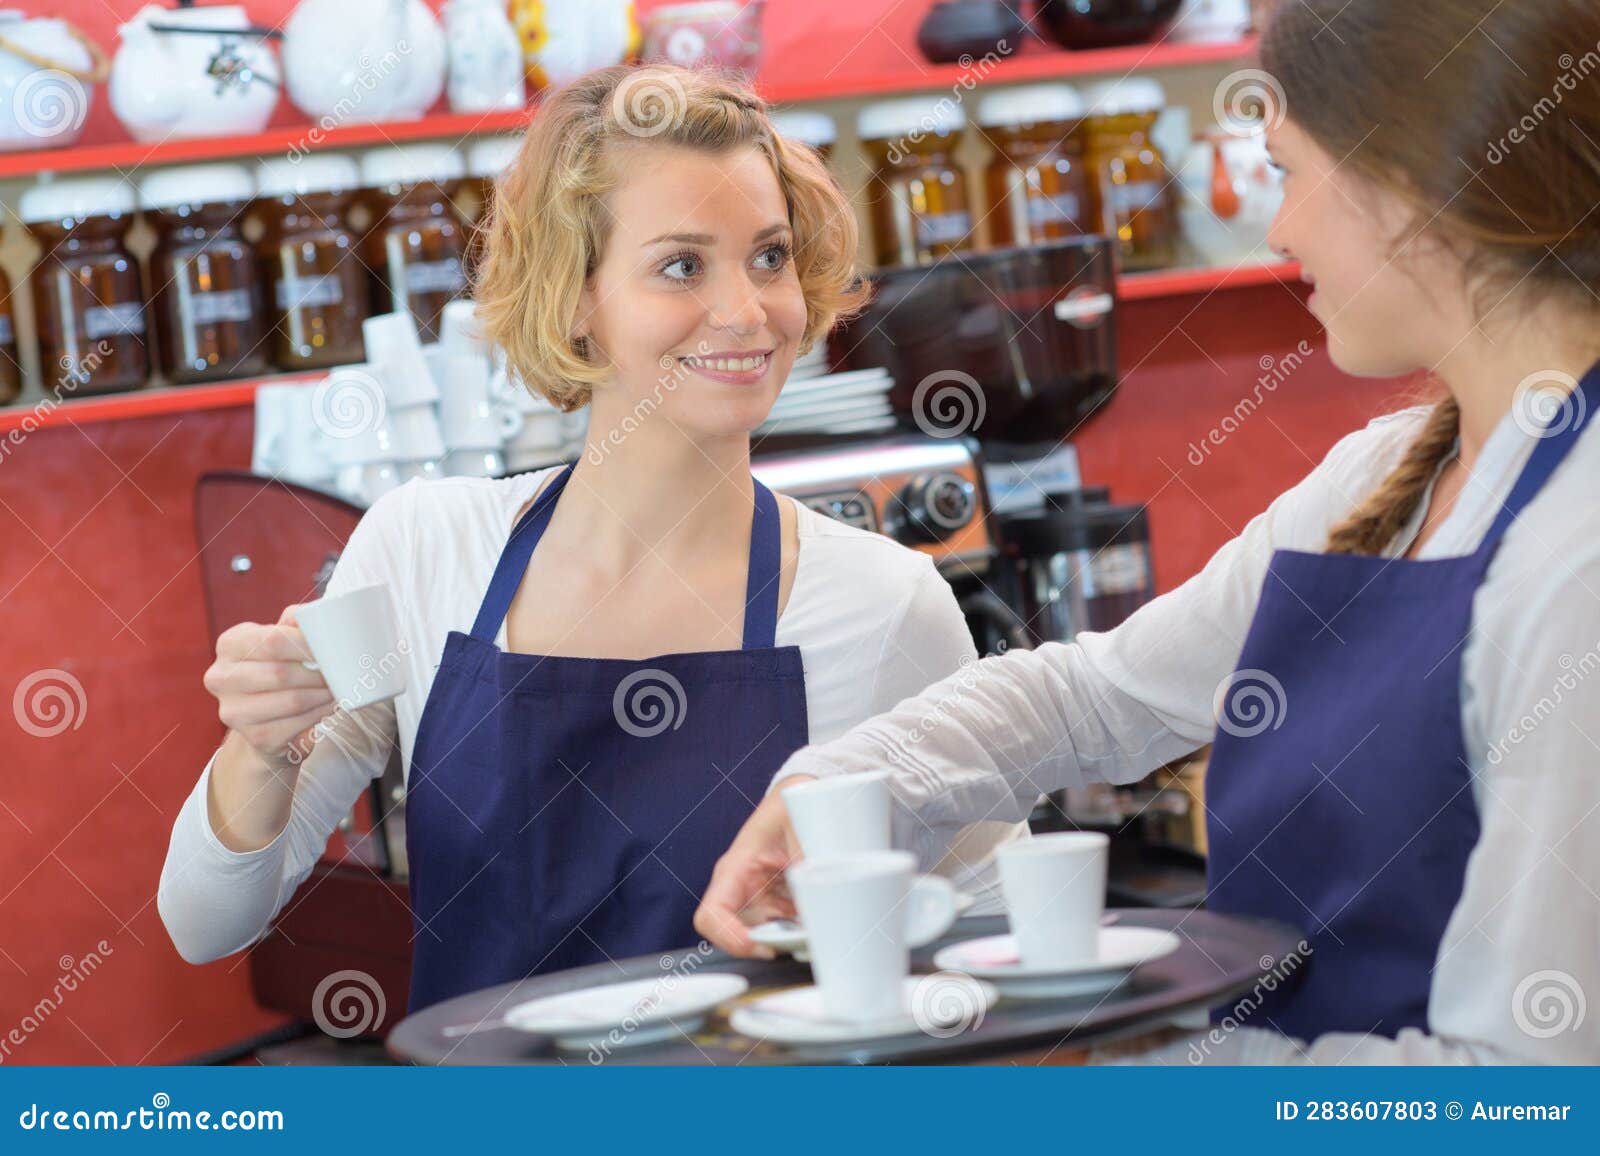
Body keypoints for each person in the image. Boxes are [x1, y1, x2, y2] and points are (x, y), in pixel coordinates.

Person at [696, 0, 1600, 1064]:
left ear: (1406, 183)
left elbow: (1522, 1095)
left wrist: (1117, 1073)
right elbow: (1100, 696)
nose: (1279, 228)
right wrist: (849, 784)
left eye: (1288, 170)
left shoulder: (1572, 554)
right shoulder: (1391, 477)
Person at [157, 65, 1023, 1012]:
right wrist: (259, 748)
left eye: (768, 256)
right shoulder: (425, 550)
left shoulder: (884, 603)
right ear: (575, 295)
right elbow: (207, 925)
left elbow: (996, 947)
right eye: (683, 265)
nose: (747, 310)